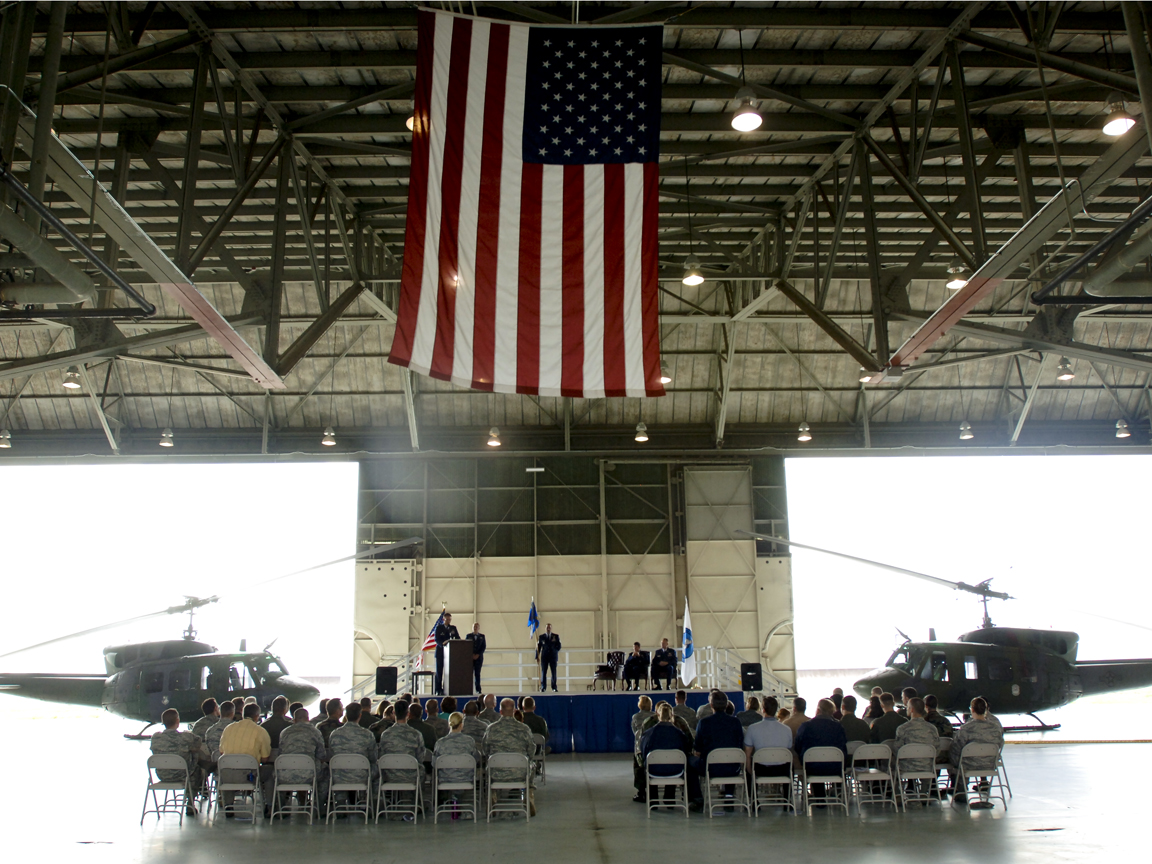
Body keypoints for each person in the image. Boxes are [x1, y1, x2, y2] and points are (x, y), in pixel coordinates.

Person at [483, 698, 537, 816]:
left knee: (489, 765)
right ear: (514, 711)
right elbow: (532, 750)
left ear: (500, 711)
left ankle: (493, 795)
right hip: (520, 772)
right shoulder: (524, 729)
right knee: (532, 764)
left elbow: (485, 750)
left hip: (496, 773)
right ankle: (529, 795)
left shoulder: (491, 729)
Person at [219, 703, 274, 816]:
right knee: (270, 772)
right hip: (248, 777)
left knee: (229, 767)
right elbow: (265, 758)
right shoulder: (260, 731)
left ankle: (228, 806)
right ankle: (270, 806)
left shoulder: (228, 729)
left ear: (242, 714)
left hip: (226, 776)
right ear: (257, 716)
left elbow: (221, 752)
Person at [637, 702, 697, 804]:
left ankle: (653, 800)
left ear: (658, 716)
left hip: (653, 770)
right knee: (674, 760)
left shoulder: (648, 734)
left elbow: (643, 752)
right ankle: (670, 798)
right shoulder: (680, 734)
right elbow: (688, 749)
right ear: (672, 715)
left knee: (649, 762)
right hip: (676, 770)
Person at [691, 691, 745, 805]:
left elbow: (698, 748)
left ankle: (697, 798)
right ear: (726, 705)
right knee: (730, 755)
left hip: (710, 768)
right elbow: (740, 745)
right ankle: (729, 794)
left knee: (689, 762)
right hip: (733, 768)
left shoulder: (704, 723)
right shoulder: (736, 722)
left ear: (711, 705)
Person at [949, 697, 1004, 803]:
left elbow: (956, 747)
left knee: (958, 760)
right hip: (990, 765)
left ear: (972, 710)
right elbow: (1000, 745)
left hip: (968, 765)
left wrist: (954, 762)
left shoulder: (966, 728)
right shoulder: (995, 729)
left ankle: (961, 792)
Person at [150, 708, 205, 814]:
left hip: (162, 774)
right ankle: (190, 802)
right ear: (177, 721)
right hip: (182, 775)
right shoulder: (185, 737)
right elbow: (198, 744)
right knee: (197, 770)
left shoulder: (156, 738)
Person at [276, 707, 328, 812]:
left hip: (285, 775)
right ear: (308, 719)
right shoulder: (315, 732)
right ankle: (319, 807)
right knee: (326, 771)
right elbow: (322, 756)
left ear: (294, 719)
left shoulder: (284, 733)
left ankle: (280, 807)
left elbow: (280, 754)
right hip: (309, 775)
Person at [329, 703, 379, 804]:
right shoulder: (367, 735)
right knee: (377, 769)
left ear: (346, 716)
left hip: (339, 776)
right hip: (361, 776)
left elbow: (331, 756)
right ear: (360, 715)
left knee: (337, 767)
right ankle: (371, 803)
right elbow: (373, 757)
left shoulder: (335, 734)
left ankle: (340, 801)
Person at [794, 699, 848, 785]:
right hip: (835, 767)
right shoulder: (838, 727)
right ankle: (836, 792)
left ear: (818, 710)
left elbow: (797, 746)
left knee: (814, 760)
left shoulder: (806, 726)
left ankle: (818, 796)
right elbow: (843, 747)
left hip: (812, 768)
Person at [378, 701, 427, 795]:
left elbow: (381, 756)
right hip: (411, 776)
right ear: (408, 714)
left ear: (394, 713)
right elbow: (420, 758)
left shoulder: (386, 734)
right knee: (422, 769)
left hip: (389, 776)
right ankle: (417, 802)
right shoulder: (416, 734)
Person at [742, 696, 792, 778]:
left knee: (750, 758)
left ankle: (752, 789)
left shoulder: (752, 728)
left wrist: (750, 772)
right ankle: (787, 790)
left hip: (761, 769)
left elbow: (747, 753)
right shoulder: (787, 729)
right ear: (776, 710)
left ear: (763, 710)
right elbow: (788, 749)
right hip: (782, 770)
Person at [894, 696, 940, 777]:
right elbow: (937, 749)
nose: (907, 709)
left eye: (908, 707)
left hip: (907, 767)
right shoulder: (932, 729)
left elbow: (897, 750)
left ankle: (897, 789)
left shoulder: (903, 728)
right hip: (927, 766)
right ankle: (925, 788)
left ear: (912, 709)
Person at [433, 711, 480, 786]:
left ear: (449, 724)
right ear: (461, 725)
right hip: (466, 779)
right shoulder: (469, 741)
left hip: (445, 779)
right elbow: (476, 759)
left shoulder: (440, 743)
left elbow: (434, 763)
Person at [434, 612, 460, 696]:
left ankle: (448, 688)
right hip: (440, 652)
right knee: (439, 671)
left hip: (450, 654)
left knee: (449, 671)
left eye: (450, 619)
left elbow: (458, 638)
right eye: (447, 619)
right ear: (443, 619)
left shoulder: (453, 628)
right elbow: (437, 639)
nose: (448, 621)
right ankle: (438, 689)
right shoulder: (439, 628)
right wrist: (443, 643)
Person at [536, 623, 561, 692]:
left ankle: (554, 687)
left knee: (553, 672)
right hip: (545, 657)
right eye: (547, 627)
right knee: (544, 672)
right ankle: (543, 687)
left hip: (553, 657)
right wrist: (537, 656)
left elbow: (559, 645)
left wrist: (554, 650)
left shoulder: (555, 636)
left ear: (551, 628)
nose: (548, 629)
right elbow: (538, 647)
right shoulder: (542, 637)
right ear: (545, 628)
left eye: (549, 627)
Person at [466, 622, 487, 693]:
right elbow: (466, 646)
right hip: (470, 658)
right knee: (469, 674)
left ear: (479, 628)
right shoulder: (468, 636)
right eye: (474, 627)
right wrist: (471, 654)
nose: (475, 628)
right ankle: (468, 689)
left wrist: (478, 654)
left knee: (477, 674)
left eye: (476, 627)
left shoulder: (482, 636)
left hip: (479, 658)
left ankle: (478, 689)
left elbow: (483, 647)